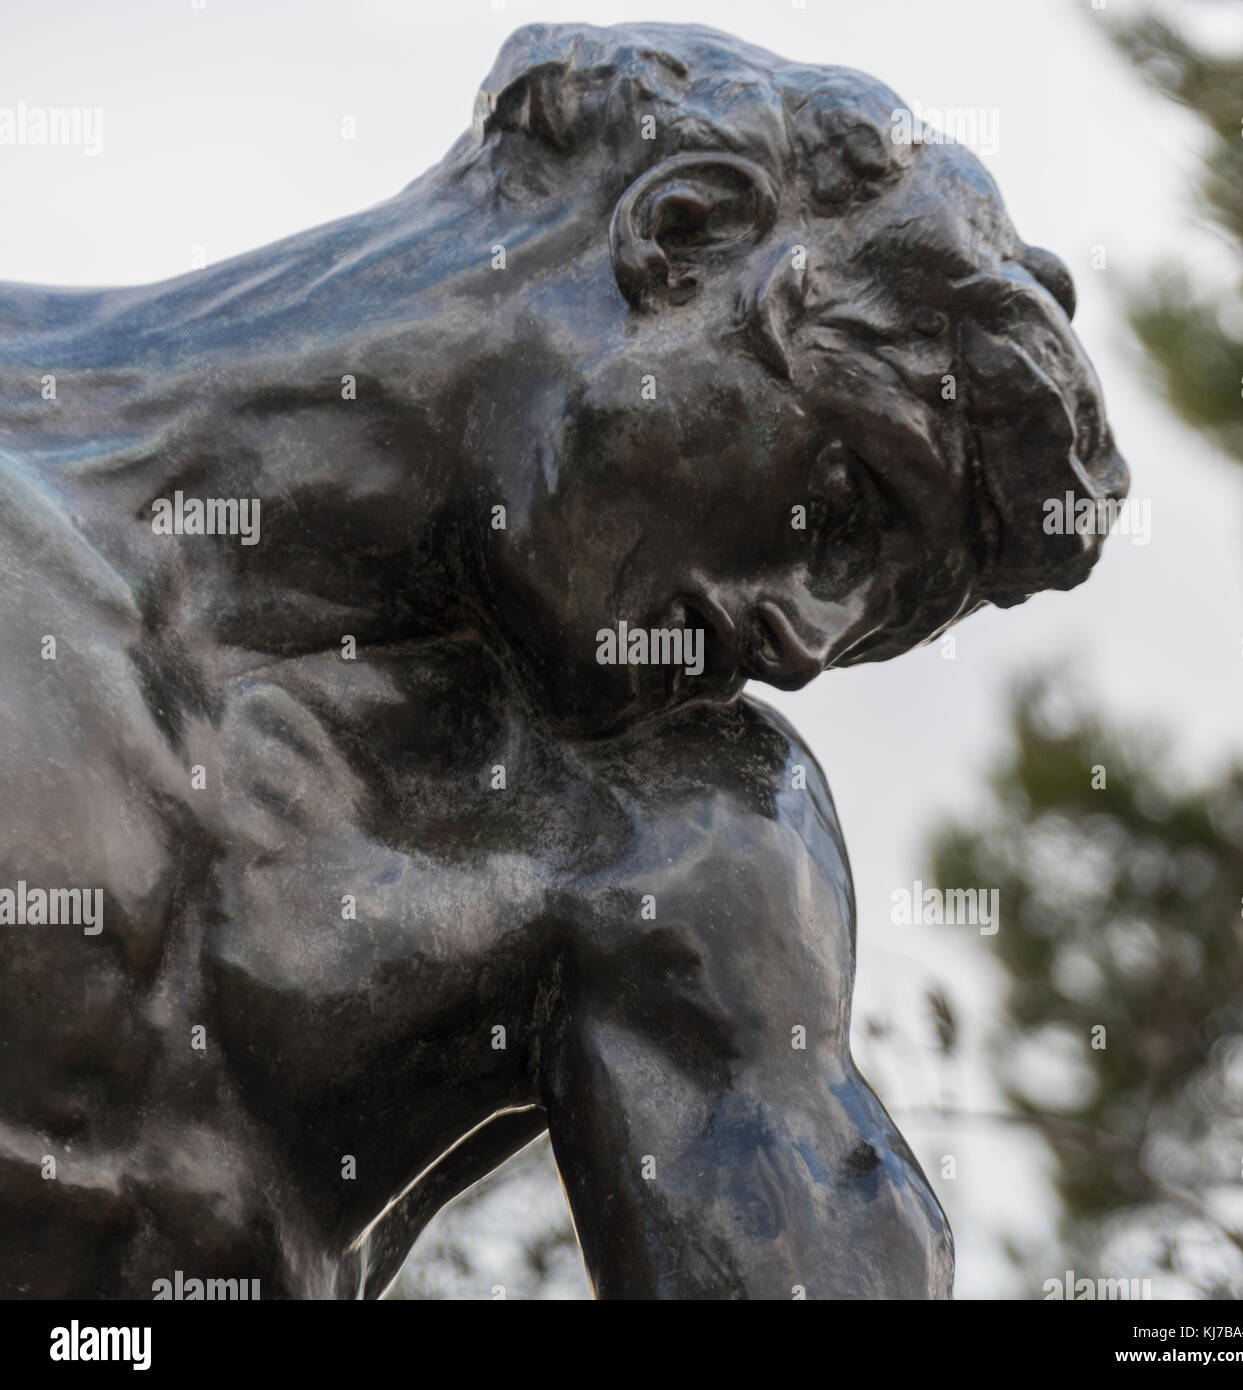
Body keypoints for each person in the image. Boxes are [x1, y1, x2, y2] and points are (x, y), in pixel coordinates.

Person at [0, 22, 1126, 1298]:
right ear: (684, 234)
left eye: (870, 622)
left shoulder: (644, 841)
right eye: (839, 510)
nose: (801, 647)